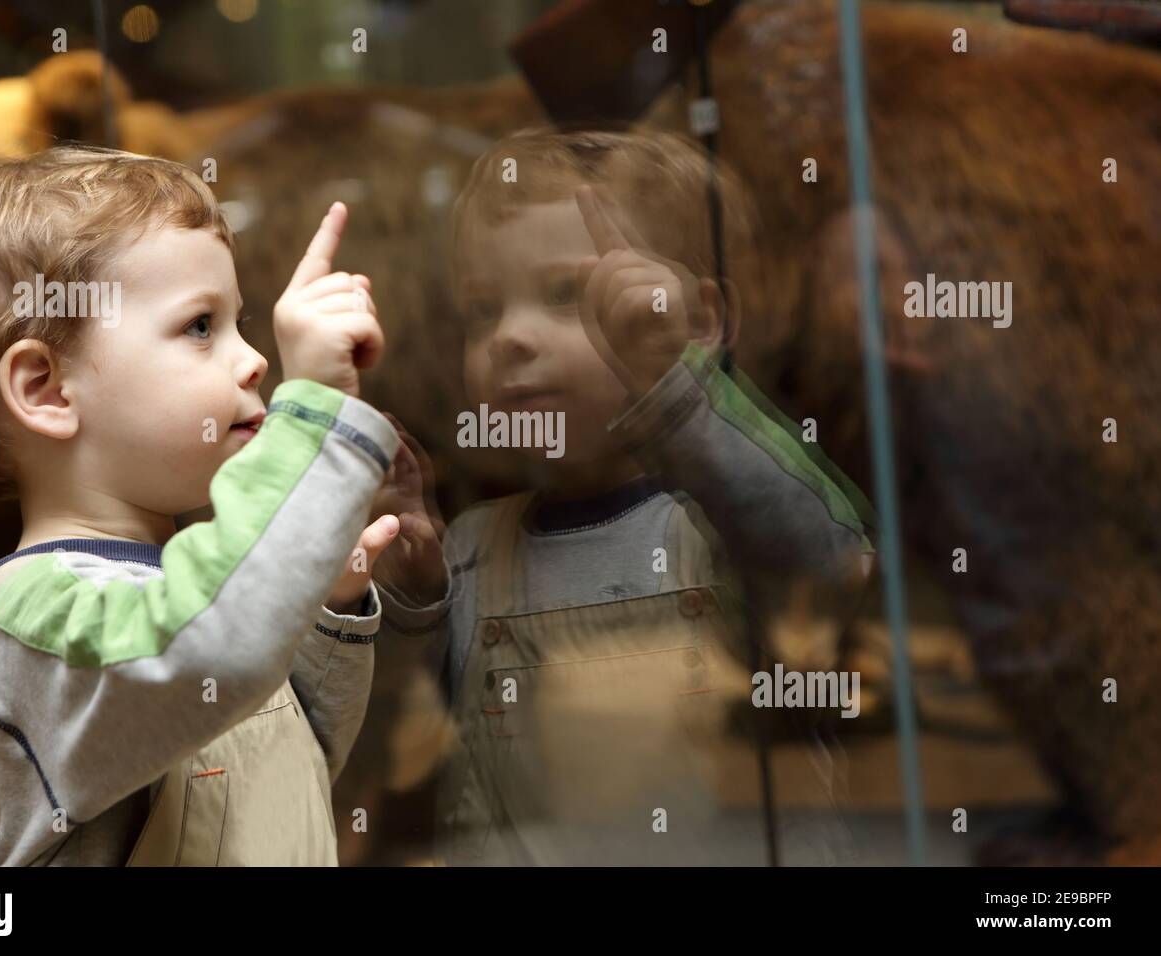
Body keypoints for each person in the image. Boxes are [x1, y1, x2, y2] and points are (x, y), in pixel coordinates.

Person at [0, 146, 400, 865]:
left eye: (239, 322)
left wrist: (325, 612)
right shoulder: (36, 616)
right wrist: (317, 414)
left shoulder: (194, 586)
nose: (256, 360)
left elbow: (298, 766)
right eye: (201, 327)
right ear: (48, 390)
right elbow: (209, 653)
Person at [370, 129, 878, 865]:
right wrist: (413, 589)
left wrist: (673, 383)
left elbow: (831, 558)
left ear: (698, 320)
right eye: (483, 310)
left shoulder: (721, 521)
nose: (510, 336)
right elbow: (415, 731)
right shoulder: (473, 546)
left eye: (567, 294)